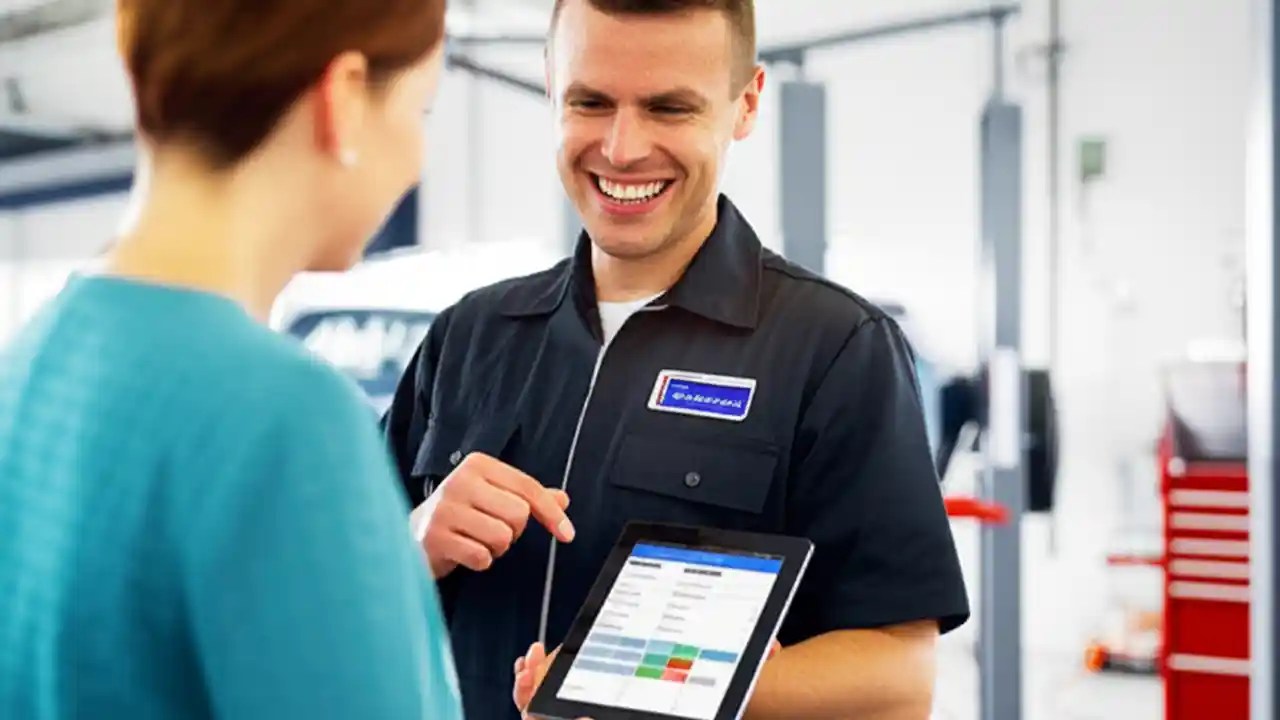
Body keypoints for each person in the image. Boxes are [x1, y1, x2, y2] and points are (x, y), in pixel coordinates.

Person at [382, 0, 971, 717]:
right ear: (550, 87)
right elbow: (331, 599)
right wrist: (413, 546)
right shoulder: (469, 336)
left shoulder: (835, 350)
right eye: (591, 102)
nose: (623, 149)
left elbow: (899, 682)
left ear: (744, 104)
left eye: (669, 109)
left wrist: (637, 688)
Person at [0, 1, 463, 718]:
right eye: (421, 109)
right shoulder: (285, 416)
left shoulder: (33, 363)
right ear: (341, 98)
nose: (416, 155)